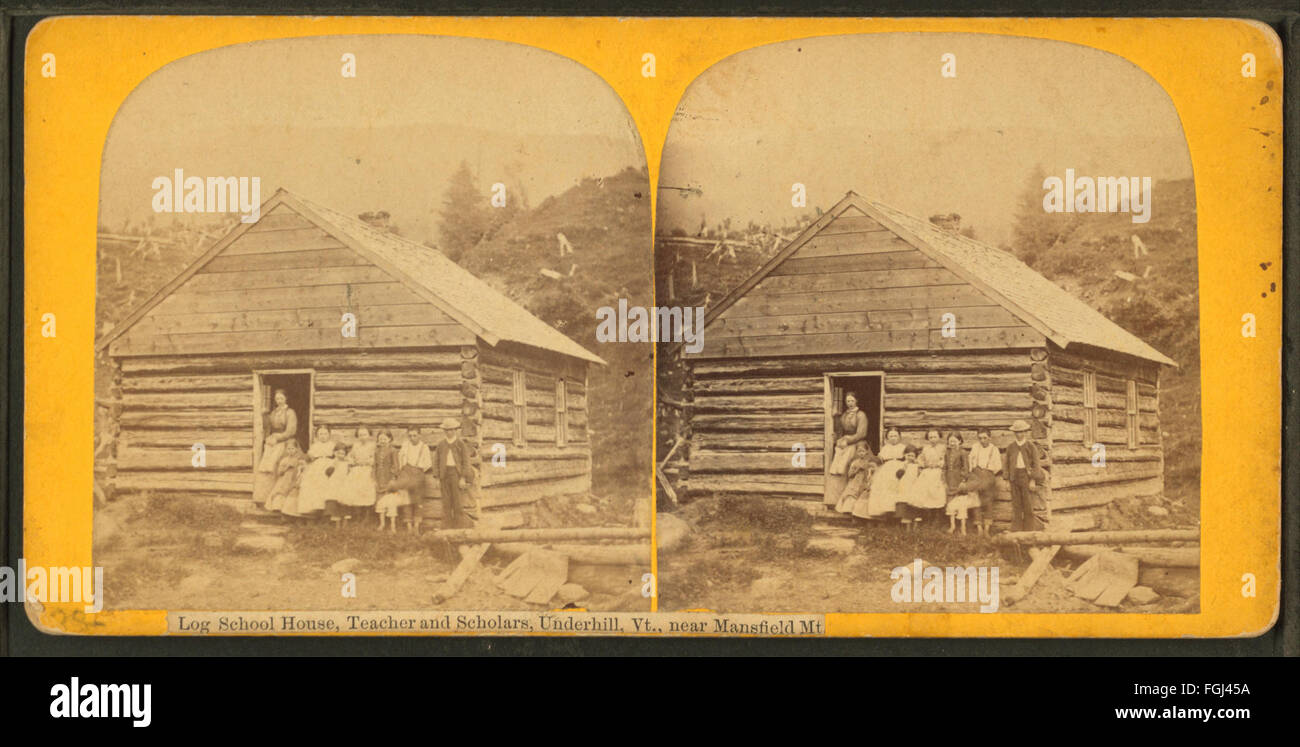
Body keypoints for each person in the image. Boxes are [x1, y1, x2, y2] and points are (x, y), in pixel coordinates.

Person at [253, 389, 297, 507]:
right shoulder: (274, 412)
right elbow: (268, 426)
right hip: (273, 442)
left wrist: (278, 438)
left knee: (277, 466)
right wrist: (264, 415)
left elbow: (291, 431)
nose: (279, 401)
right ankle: (263, 498)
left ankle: (276, 501)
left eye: (281, 398)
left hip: (284, 442)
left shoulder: (290, 412)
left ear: (286, 399)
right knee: (266, 467)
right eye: (277, 399)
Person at [825, 393, 869, 509]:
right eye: (848, 401)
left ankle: (850, 503)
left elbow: (862, 433)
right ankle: (834, 500)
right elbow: (840, 429)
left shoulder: (861, 415)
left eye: (852, 401)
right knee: (837, 470)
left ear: (856, 401)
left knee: (849, 468)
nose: (849, 403)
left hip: (856, 443)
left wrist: (849, 441)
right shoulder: (844, 414)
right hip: (845, 443)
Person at [855, 427, 907, 519]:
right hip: (886, 468)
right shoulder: (885, 448)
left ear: (899, 437)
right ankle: (883, 512)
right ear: (887, 438)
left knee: (896, 485)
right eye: (891, 436)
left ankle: (897, 513)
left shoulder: (903, 447)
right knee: (880, 485)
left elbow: (907, 459)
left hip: (899, 468)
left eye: (895, 436)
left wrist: (904, 468)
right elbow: (879, 460)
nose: (893, 438)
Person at [434, 418, 476, 529]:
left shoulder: (460, 444)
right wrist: (437, 478)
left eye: (451, 430)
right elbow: (436, 461)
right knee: (446, 503)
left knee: (457, 503)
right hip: (444, 475)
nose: (449, 432)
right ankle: (447, 528)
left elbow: (466, 462)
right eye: (447, 430)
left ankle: (459, 528)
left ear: (455, 430)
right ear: (444, 431)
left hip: (456, 474)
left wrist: (462, 478)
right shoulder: (441, 445)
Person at [1003, 420, 1043, 532]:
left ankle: (1029, 530)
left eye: (1021, 432)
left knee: (1028, 505)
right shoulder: (1010, 447)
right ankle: (1016, 531)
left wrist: (1033, 480)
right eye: (1016, 432)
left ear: (1025, 432)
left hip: (1026, 477)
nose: (1019, 434)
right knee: (1016, 505)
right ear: (1014, 433)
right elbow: (1006, 464)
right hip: (1014, 477)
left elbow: (1036, 464)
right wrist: (1007, 480)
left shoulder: (1031, 446)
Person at [902, 429, 949, 525]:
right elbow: (921, 459)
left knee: (936, 493)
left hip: (937, 472)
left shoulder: (943, 448)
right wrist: (922, 464)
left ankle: (937, 517)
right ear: (928, 438)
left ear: (939, 437)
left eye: (935, 437)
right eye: (930, 437)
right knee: (926, 493)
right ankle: (928, 516)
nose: (933, 439)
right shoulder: (926, 448)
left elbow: (944, 459)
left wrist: (940, 464)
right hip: (927, 472)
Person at [962, 428, 1002, 536]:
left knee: (988, 501)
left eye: (985, 438)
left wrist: (988, 472)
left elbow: (998, 466)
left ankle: (987, 528)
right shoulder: (975, 447)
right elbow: (970, 460)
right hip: (975, 475)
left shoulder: (994, 449)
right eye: (980, 438)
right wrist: (972, 472)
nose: (982, 440)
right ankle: (979, 527)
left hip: (988, 475)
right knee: (976, 501)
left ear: (989, 438)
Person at [392, 426, 433, 534]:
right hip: (405, 474)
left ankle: (416, 526)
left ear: (419, 435)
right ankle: (409, 526)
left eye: (414, 435)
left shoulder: (424, 447)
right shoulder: (405, 446)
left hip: (418, 475)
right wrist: (404, 469)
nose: (412, 438)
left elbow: (428, 463)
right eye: (410, 436)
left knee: (418, 501)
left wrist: (418, 468)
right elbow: (400, 458)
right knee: (406, 500)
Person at [296, 426, 337, 517]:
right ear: (317, 436)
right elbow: (310, 457)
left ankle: (324, 509)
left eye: (325, 434)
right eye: (320, 434)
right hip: (317, 465)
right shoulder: (315, 446)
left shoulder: (332, 445)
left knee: (325, 480)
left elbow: (337, 456)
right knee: (310, 480)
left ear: (329, 435)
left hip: (329, 464)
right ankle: (313, 508)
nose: (323, 436)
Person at [339, 426, 378, 518]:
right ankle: (358, 514)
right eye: (360, 435)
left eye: (364, 434)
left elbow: (375, 458)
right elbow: (350, 456)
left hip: (367, 469)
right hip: (357, 470)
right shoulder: (356, 445)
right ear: (357, 436)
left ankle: (367, 515)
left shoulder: (373, 446)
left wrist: (368, 461)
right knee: (356, 490)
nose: (362, 437)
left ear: (369, 435)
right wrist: (352, 461)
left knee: (366, 490)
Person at [943, 432, 978, 534]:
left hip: (959, 479)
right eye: (950, 441)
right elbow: (945, 467)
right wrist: (944, 480)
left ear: (960, 441)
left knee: (961, 503)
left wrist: (963, 480)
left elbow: (965, 468)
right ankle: (952, 526)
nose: (952, 443)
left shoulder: (963, 452)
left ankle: (963, 528)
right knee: (950, 504)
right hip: (949, 479)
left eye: (954, 441)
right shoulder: (947, 453)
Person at [372, 429, 405, 532]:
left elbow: (396, 465)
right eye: (380, 439)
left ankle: (393, 525)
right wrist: (374, 478)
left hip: (389, 478)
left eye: (385, 439)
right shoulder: (376, 451)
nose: (382, 441)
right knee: (381, 502)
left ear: (390, 439)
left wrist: (393, 478)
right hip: (379, 478)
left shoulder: (393, 450)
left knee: (391, 502)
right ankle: (382, 524)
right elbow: (374, 466)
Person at [266, 439, 306, 517]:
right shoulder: (284, 460)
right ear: (286, 450)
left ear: (296, 449)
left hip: (294, 478)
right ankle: (280, 512)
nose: (290, 451)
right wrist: (286, 467)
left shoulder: (299, 459)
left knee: (292, 493)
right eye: (288, 449)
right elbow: (279, 472)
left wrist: (298, 467)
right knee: (281, 493)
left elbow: (302, 469)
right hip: (284, 479)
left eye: (292, 449)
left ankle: (290, 513)